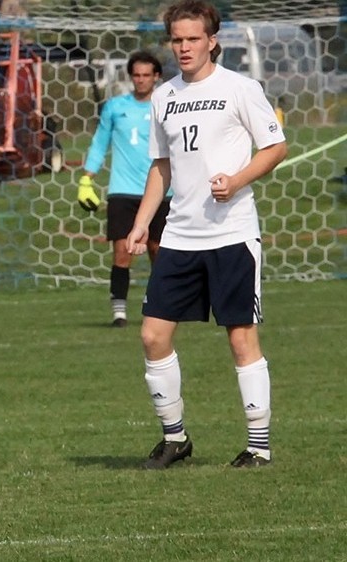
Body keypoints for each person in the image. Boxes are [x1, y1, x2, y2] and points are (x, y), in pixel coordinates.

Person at [125, 0, 287, 470]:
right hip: (179, 235)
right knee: (153, 336)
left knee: (240, 339)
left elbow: (275, 146)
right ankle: (175, 438)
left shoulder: (240, 87)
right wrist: (141, 222)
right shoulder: (164, 96)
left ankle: (258, 445)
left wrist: (237, 181)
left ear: (212, 40)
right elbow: (162, 166)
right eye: (177, 39)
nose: (184, 47)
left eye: (193, 38)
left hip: (232, 234)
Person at [78, 51, 171, 328]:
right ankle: (119, 312)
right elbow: (99, 142)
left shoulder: (166, 106)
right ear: (130, 77)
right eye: (136, 75)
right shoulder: (115, 107)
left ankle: (160, 306)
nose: (140, 81)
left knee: (159, 251)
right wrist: (87, 178)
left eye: (146, 75)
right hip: (123, 191)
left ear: (156, 77)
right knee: (122, 251)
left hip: (162, 191)